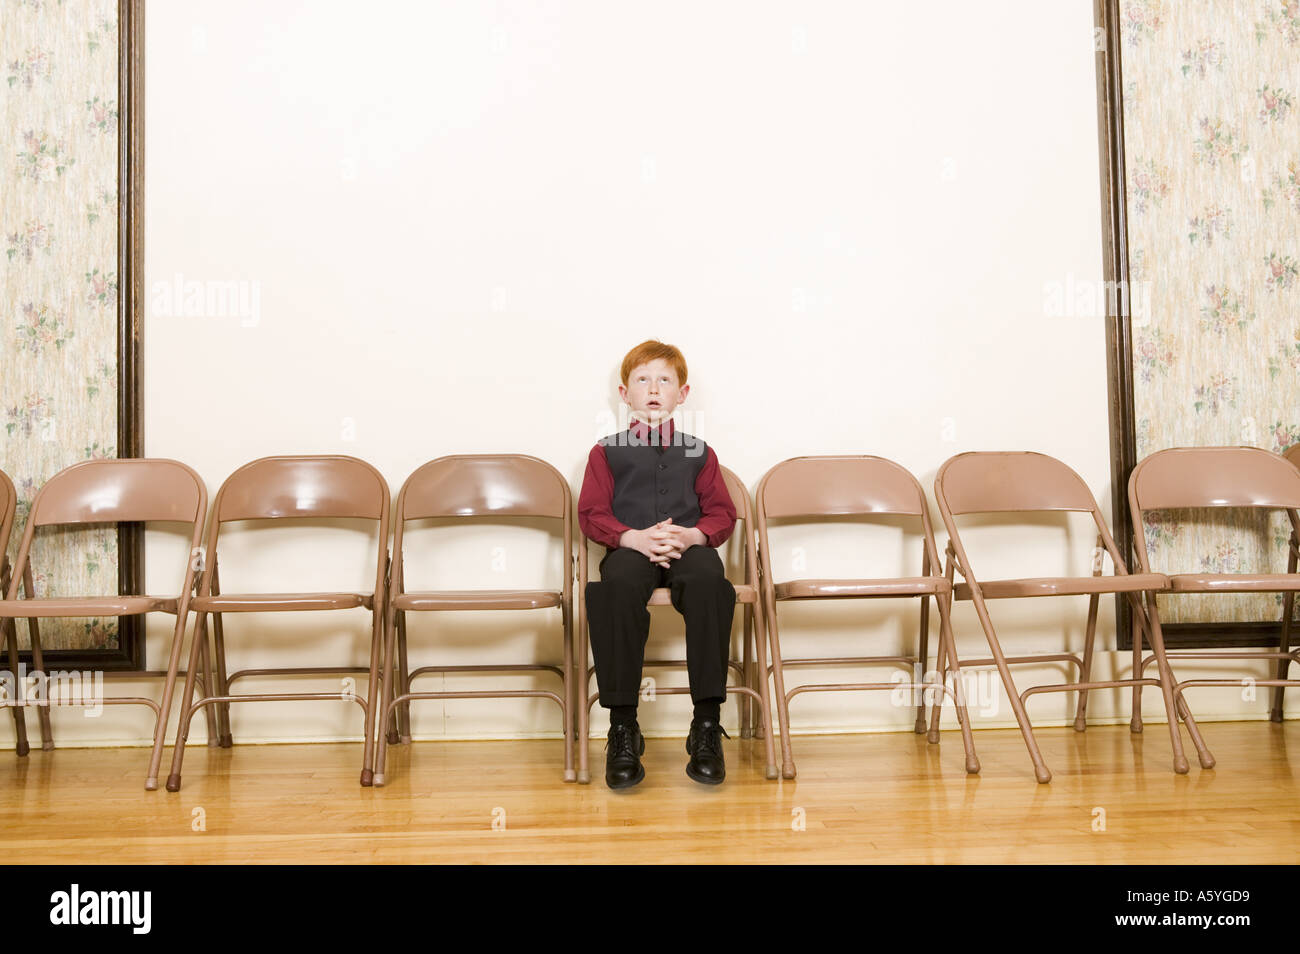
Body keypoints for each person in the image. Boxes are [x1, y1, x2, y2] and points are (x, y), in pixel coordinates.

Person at [578, 339, 737, 789]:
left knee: (710, 582)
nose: (653, 388)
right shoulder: (605, 452)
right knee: (616, 587)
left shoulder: (699, 452)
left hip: (689, 550)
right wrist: (632, 537)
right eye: (642, 379)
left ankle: (706, 726)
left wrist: (691, 535)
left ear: (681, 394)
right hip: (630, 549)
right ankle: (623, 726)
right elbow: (592, 512)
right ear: (625, 393)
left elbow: (722, 513)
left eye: (664, 380)